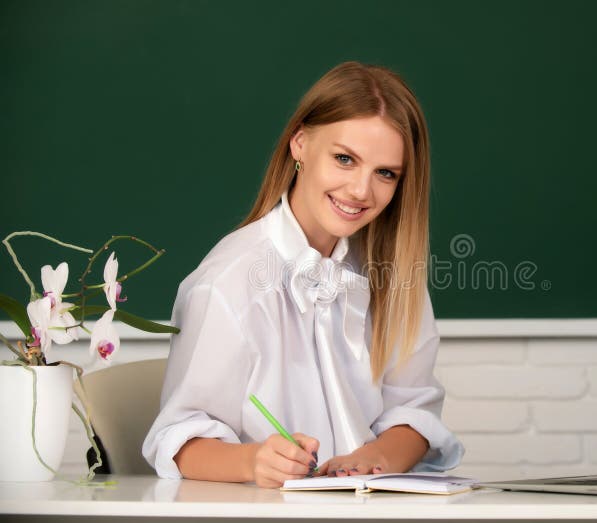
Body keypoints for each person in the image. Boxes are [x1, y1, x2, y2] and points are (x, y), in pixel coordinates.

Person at [142, 61, 464, 488]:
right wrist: (254, 461)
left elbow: (416, 409)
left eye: (385, 173)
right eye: (345, 159)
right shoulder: (227, 282)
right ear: (300, 144)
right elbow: (177, 439)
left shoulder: (395, 273)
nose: (361, 191)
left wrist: (376, 457)